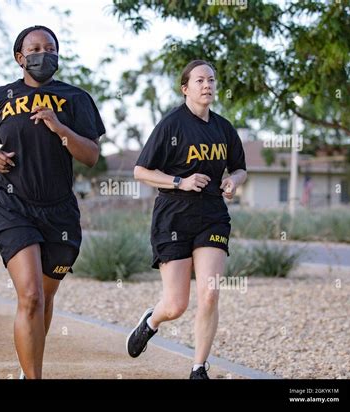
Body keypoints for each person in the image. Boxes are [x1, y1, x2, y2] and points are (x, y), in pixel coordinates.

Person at [0, 25, 105, 379]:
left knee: (42, 300)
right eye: (35, 48)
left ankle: (28, 365)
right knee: (29, 296)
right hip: (12, 204)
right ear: (20, 57)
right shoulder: (0, 97)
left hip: (59, 212)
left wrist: (60, 128)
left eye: (50, 48)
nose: (43, 53)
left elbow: (90, 155)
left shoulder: (76, 99)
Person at [126, 59, 247, 379]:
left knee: (210, 291)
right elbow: (140, 171)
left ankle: (198, 368)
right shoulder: (171, 125)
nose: (207, 85)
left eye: (211, 80)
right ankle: (152, 321)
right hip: (173, 217)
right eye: (200, 81)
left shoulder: (223, 127)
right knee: (176, 305)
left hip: (212, 216)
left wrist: (233, 181)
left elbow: (240, 167)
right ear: (185, 89)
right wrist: (180, 181)